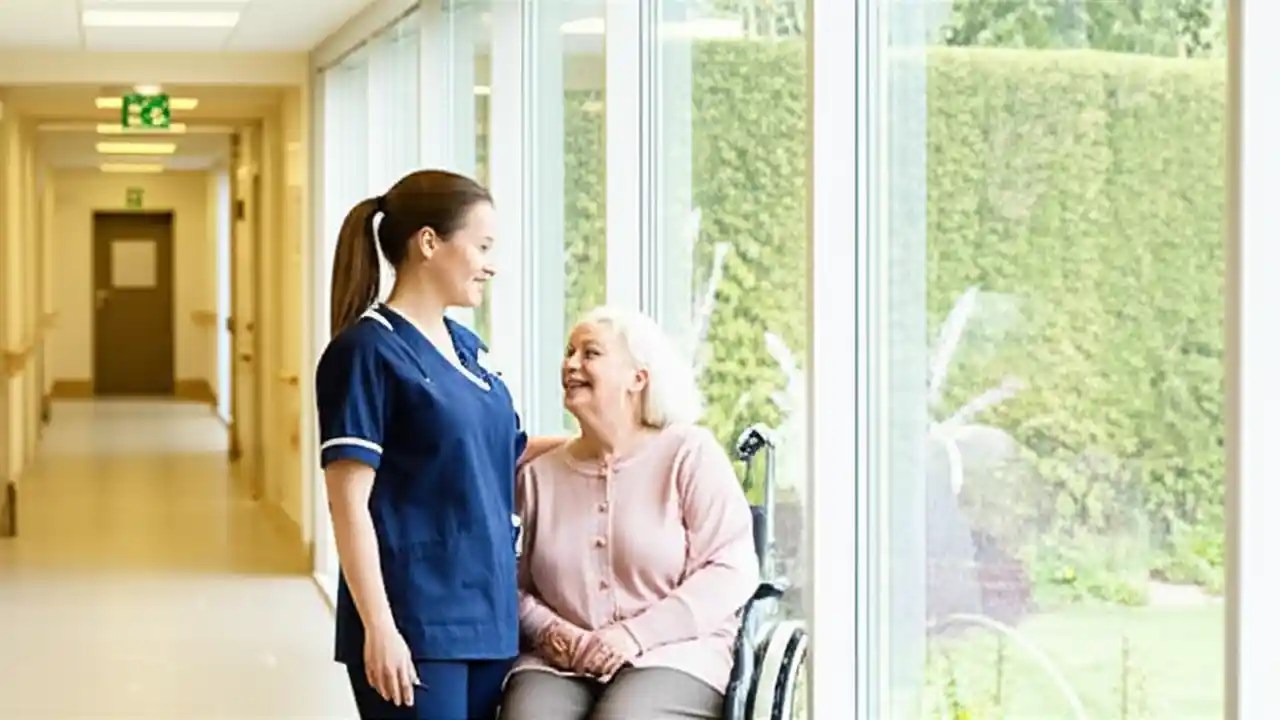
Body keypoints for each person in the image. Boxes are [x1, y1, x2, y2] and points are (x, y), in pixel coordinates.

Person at [315, 169, 562, 719]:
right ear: (429, 243)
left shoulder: (469, 348)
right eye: (483, 246)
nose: (491, 264)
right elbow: (347, 503)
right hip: (415, 621)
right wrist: (379, 626)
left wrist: (616, 443)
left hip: (488, 616)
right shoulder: (365, 353)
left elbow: (504, 452)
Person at [498, 306, 760, 720]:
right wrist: (549, 630)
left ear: (638, 377)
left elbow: (731, 569)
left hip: (676, 652)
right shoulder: (538, 475)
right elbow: (507, 581)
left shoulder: (687, 453)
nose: (570, 364)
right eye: (569, 352)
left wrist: (632, 636)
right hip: (560, 658)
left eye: (590, 353)